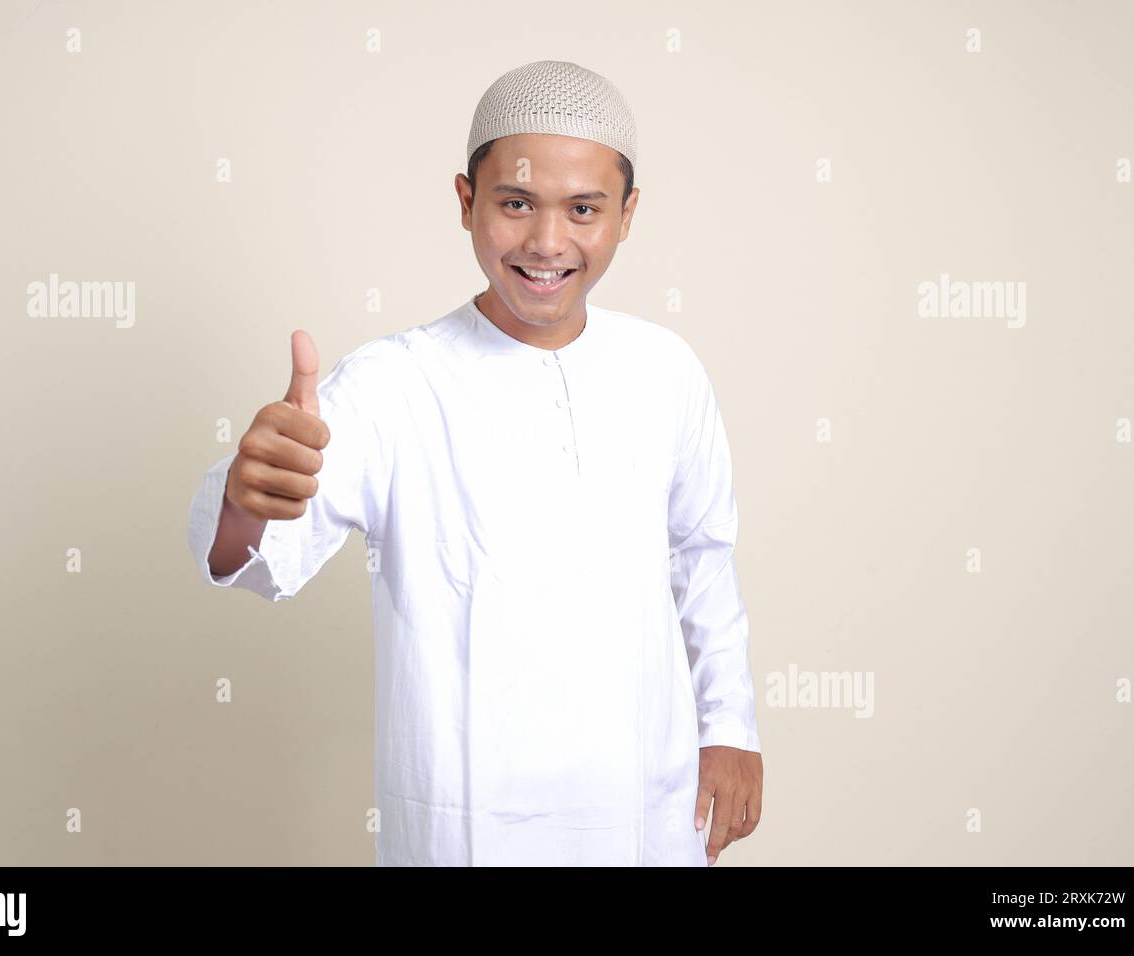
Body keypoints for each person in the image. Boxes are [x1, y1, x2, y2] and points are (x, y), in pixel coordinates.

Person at [186, 59, 763, 866]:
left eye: (584, 209)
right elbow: (255, 559)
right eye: (516, 203)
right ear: (467, 202)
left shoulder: (665, 370)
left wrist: (730, 730)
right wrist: (247, 498)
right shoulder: (393, 384)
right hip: (467, 826)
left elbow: (703, 556)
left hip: (645, 810)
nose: (547, 242)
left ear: (627, 215)